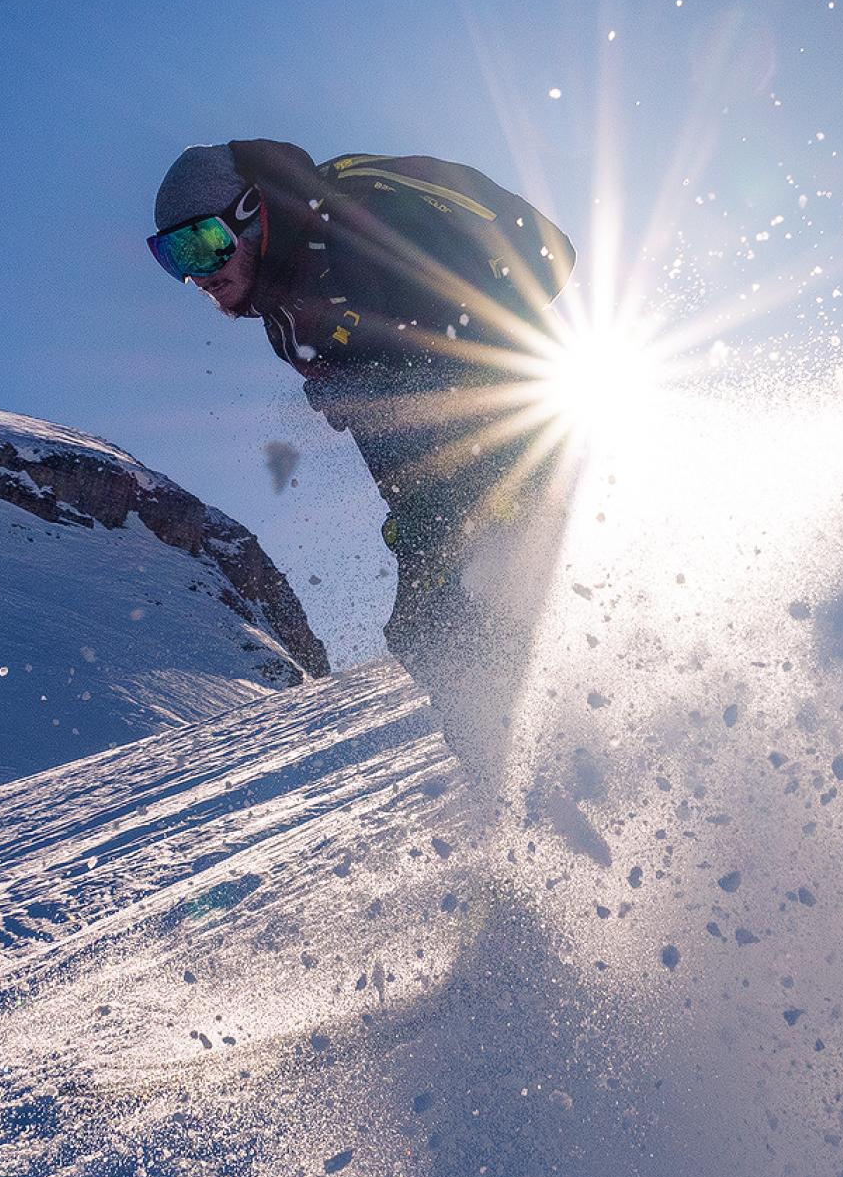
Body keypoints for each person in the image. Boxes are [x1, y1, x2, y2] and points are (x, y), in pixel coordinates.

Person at [147, 140, 576, 793]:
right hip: (440, 485)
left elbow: (483, 328)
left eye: (203, 244)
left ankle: (556, 773)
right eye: (172, 255)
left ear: (249, 213)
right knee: (425, 634)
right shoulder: (282, 310)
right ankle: (528, 793)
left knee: (468, 624)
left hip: (509, 451)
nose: (196, 273)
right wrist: (407, 505)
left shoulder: (353, 229)